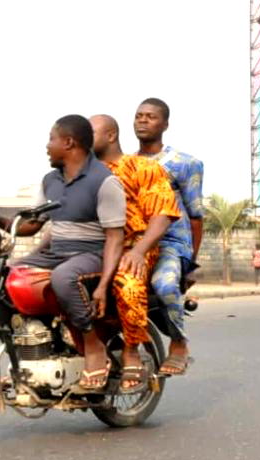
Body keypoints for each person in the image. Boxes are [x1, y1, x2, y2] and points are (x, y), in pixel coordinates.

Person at [0, 115, 126, 391]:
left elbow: (115, 238)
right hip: (57, 251)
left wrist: (103, 285)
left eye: (51, 139)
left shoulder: (104, 181)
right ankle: (21, 355)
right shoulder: (50, 181)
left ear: (68, 143)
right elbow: (31, 225)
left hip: (92, 252)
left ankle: (94, 347)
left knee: (63, 277)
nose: (47, 146)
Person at [90, 114, 179, 392]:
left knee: (127, 281)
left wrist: (140, 251)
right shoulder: (84, 173)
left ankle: (132, 349)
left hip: (134, 245)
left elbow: (162, 214)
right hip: (92, 249)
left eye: (89, 132)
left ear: (111, 135)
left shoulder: (140, 167)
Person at [133, 98, 204, 377]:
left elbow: (196, 216)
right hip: (133, 243)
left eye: (150, 117)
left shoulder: (185, 164)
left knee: (163, 285)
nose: (142, 120)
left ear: (165, 124)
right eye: (139, 116)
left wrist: (191, 265)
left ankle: (178, 343)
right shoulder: (124, 164)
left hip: (170, 245)